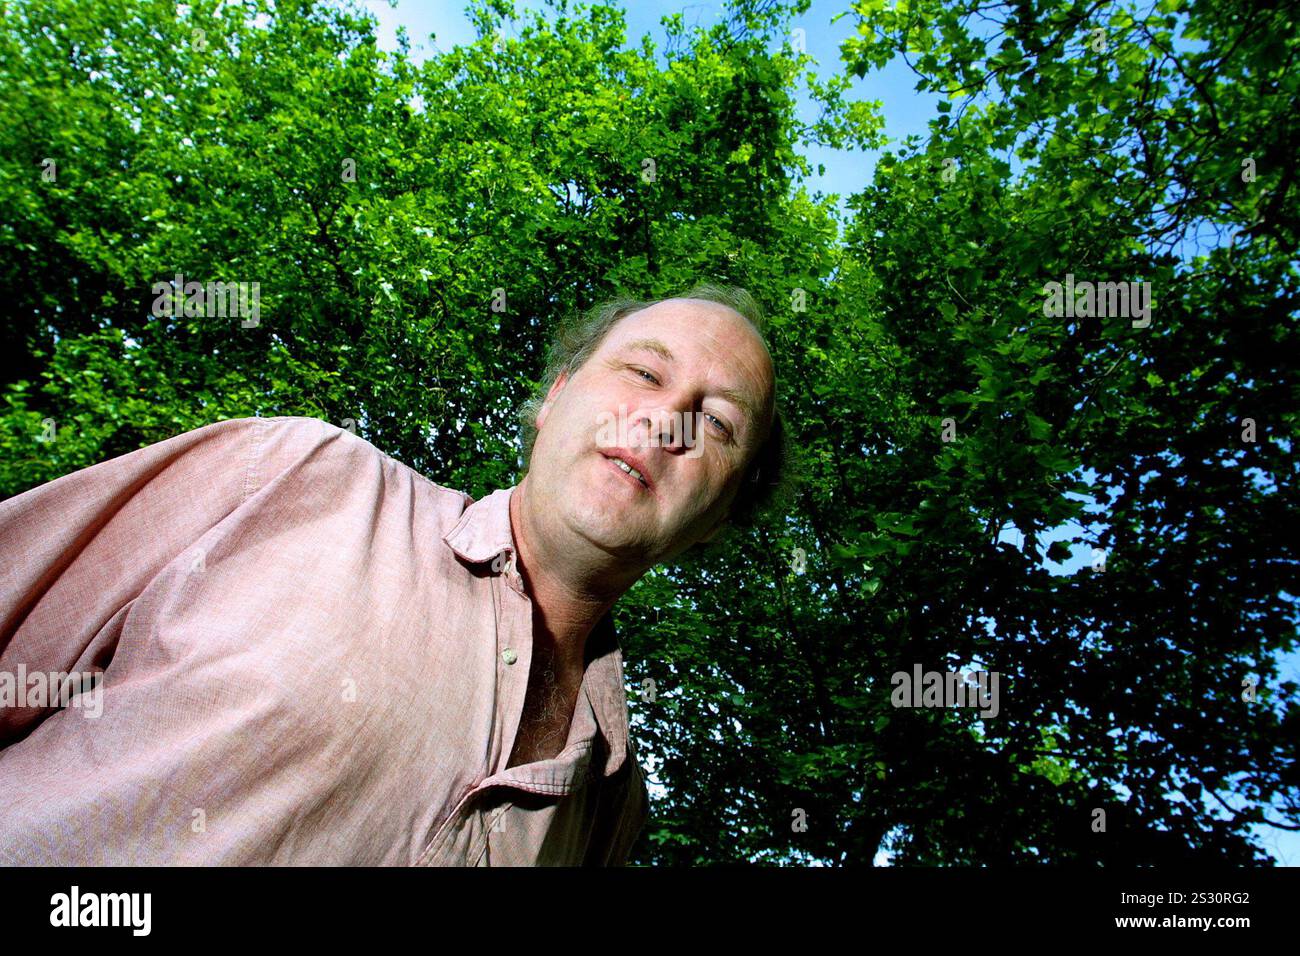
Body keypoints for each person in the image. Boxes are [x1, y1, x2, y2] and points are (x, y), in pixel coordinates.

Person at [0, 283, 787, 865]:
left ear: (717, 519)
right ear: (554, 398)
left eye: (717, 423)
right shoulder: (298, 476)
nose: (666, 421)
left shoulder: (613, 810)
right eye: (643, 374)